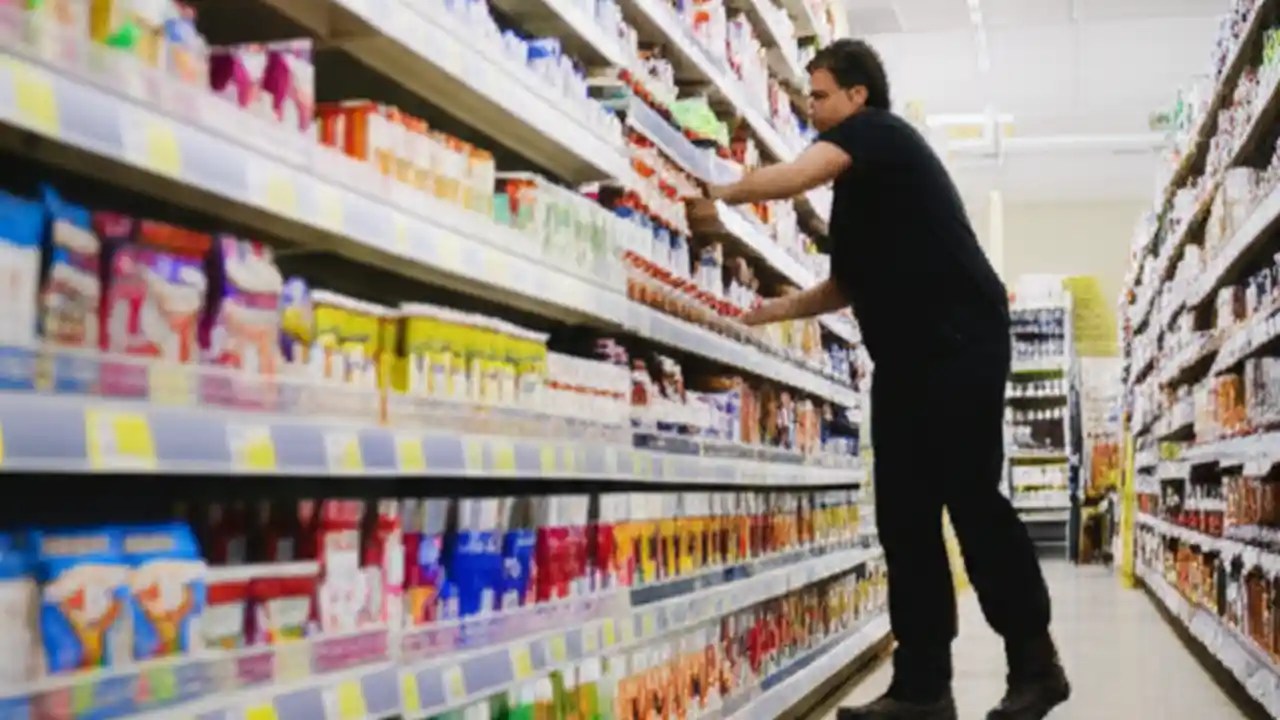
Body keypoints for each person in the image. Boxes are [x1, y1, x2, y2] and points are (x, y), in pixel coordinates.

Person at [701, 39, 1071, 720]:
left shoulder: (878, 136)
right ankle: (923, 689)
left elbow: (790, 178)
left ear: (856, 96)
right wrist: (778, 309)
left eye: (818, 95)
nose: (809, 108)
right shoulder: (856, 190)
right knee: (902, 519)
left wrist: (718, 187)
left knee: (970, 499)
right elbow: (849, 282)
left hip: (960, 344)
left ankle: (1036, 664)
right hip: (903, 360)